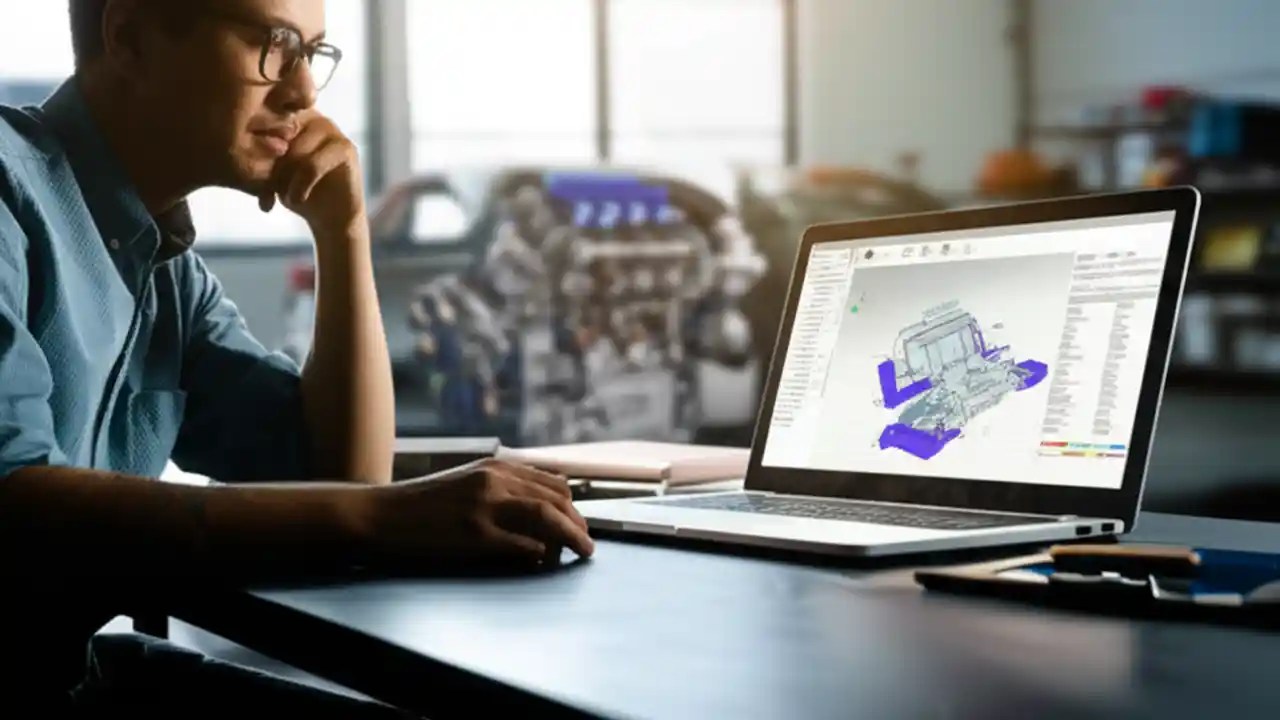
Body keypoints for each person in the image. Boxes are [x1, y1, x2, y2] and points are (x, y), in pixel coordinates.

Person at [0, 0, 594, 715]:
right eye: (273, 44)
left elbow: (344, 474)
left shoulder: (164, 268)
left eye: (313, 53)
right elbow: (15, 504)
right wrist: (390, 520)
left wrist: (343, 232)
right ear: (129, 36)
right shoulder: (9, 189)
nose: (304, 92)